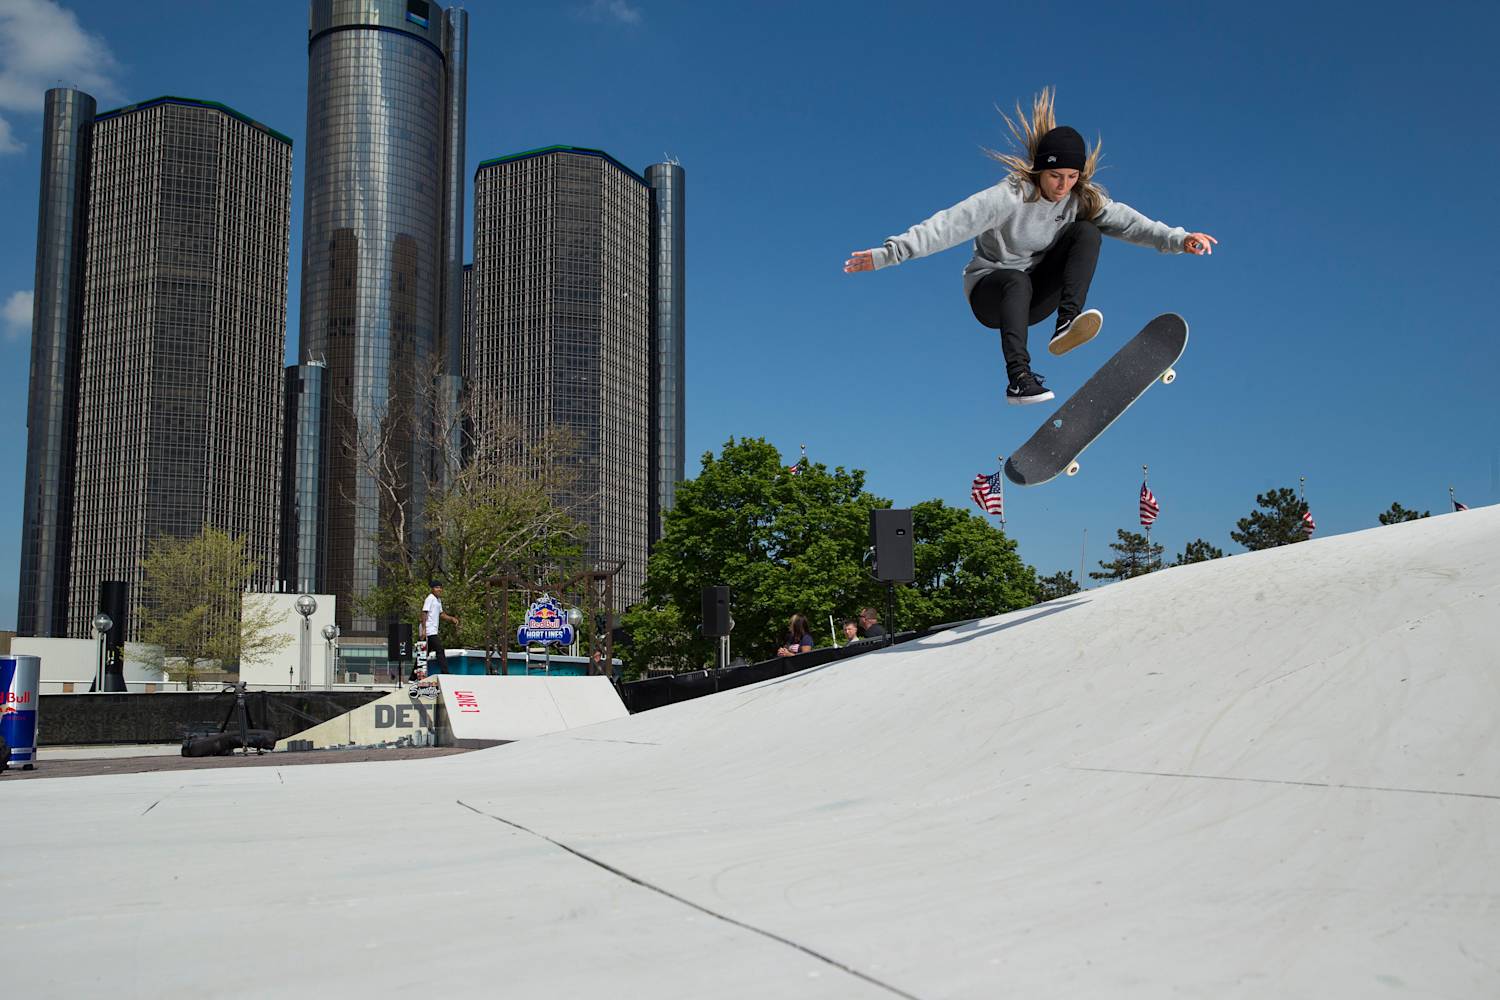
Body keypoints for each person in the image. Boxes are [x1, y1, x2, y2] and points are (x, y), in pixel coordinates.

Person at [844, 87, 1216, 405]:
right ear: (1039, 170)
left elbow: (1130, 222)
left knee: (1087, 231)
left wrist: (1179, 239)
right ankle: (1019, 378)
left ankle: (1067, 324)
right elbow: (948, 224)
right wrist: (887, 254)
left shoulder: (1080, 199)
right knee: (1015, 280)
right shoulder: (1008, 197)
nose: (1063, 186)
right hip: (992, 294)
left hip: (1035, 296)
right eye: (1055, 176)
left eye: (1072, 177)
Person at [421, 581, 460, 676]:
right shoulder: (429, 598)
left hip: (434, 630)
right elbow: (424, 613)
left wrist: (451, 618)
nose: (439, 589)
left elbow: (441, 614)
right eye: (437, 587)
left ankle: (413, 677)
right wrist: (424, 629)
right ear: (432, 589)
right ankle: (445, 672)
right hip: (429, 630)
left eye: (440, 588)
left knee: (424, 654)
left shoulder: (438, 600)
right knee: (439, 650)